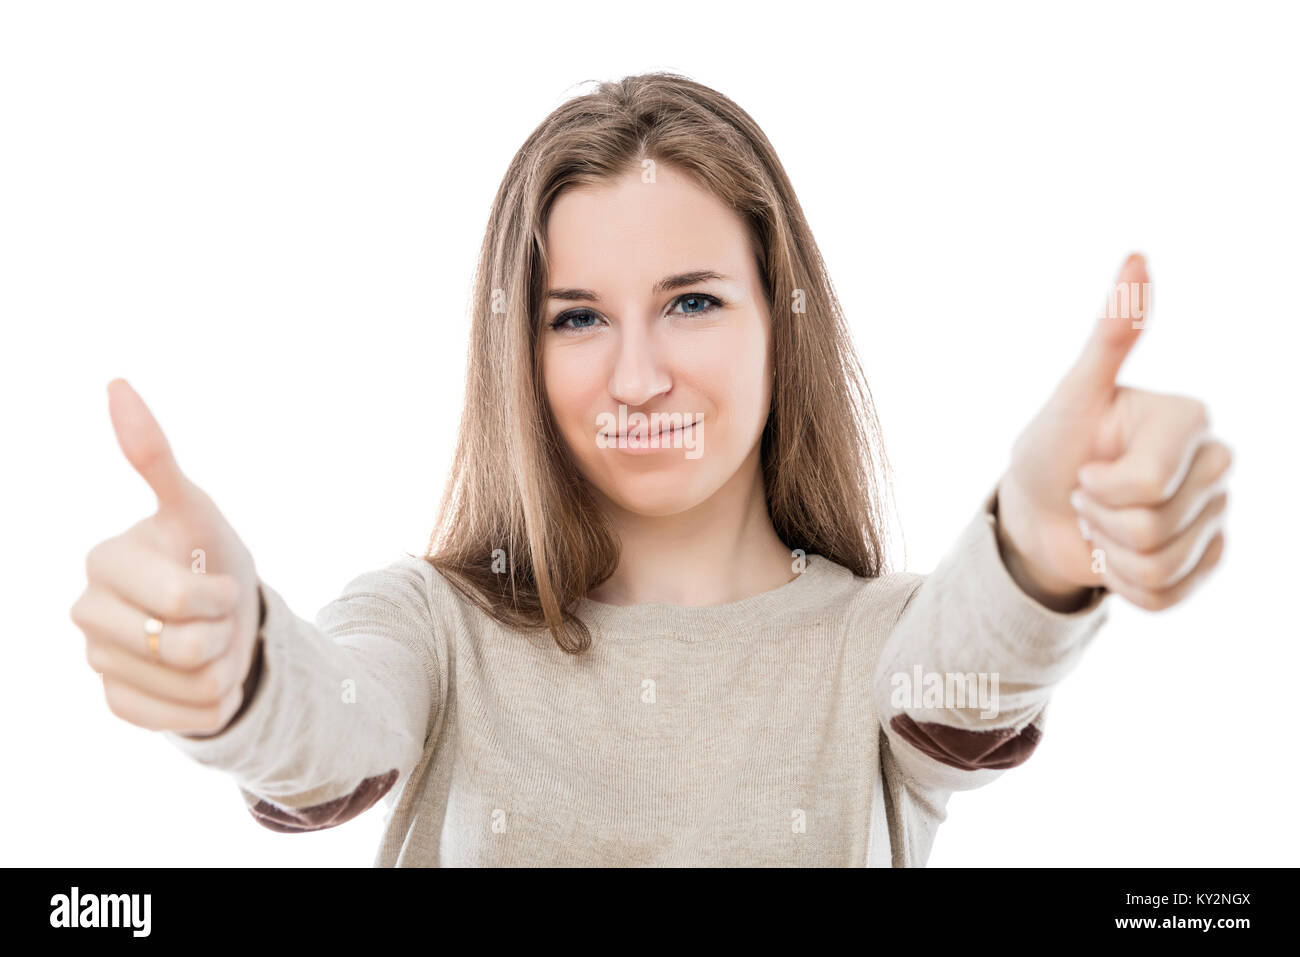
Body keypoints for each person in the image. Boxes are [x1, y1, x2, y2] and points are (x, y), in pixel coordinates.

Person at [69, 73, 1232, 866]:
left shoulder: (874, 647)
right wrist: (232, 669)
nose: (636, 378)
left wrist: (1034, 535)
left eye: (690, 302)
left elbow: (974, 666)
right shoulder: (434, 627)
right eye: (577, 319)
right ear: (518, 351)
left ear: (780, 319)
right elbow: (331, 729)